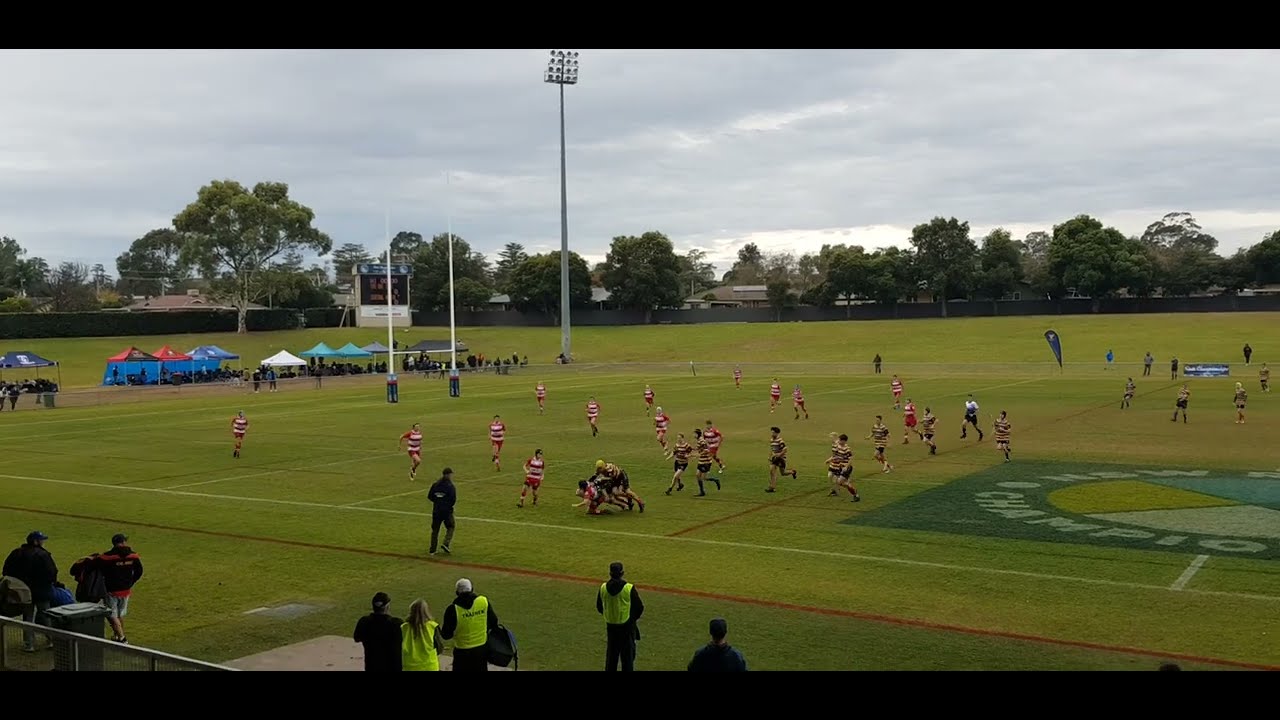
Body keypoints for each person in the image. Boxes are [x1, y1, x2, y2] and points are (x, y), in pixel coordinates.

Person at [2, 531, 57, 652]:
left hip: (22, 592)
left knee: (27, 618)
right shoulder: (43, 555)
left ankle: (29, 644)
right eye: (41, 540)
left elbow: (6, 571)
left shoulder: (16, 553)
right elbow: (52, 572)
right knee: (46, 615)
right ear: (36, 541)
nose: (43, 542)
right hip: (41, 591)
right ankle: (51, 640)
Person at [440, 578, 499, 671]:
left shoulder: (452, 609)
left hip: (462, 652)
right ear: (472, 589)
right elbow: (494, 622)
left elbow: (446, 635)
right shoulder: (483, 601)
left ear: (457, 593)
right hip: (481, 650)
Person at [597, 561, 644, 671]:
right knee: (627, 659)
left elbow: (599, 607)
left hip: (611, 627)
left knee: (611, 659)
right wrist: (632, 619)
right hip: (627, 628)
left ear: (610, 573)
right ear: (622, 573)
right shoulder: (628, 588)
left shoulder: (603, 588)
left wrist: (610, 615)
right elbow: (639, 607)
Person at [97, 533, 143, 643]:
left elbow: (100, 570)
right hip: (126, 590)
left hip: (111, 590)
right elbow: (139, 571)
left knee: (112, 615)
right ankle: (117, 635)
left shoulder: (106, 557)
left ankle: (122, 638)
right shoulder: (133, 556)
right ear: (123, 542)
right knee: (119, 614)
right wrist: (131, 582)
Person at [353, 592, 403, 671]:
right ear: (387, 606)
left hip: (372, 666)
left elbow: (357, 638)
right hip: (393, 667)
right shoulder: (397, 623)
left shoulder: (364, 622)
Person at [401, 598, 445, 671]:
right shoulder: (433, 627)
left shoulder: (403, 628)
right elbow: (439, 648)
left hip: (410, 667)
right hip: (430, 666)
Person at [428, 468, 457, 555]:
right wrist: (447, 505)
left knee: (435, 530)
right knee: (451, 526)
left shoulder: (436, 484)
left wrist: (438, 502)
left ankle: (432, 550)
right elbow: (453, 499)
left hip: (436, 510)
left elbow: (430, 496)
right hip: (446, 511)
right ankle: (446, 543)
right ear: (448, 475)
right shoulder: (450, 486)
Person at [767, 426, 797, 493]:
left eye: (773, 433)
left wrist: (779, 455)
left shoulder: (780, 441)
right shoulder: (772, 440)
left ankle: (793, 472)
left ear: (777, 433)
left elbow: (785, 449)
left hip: (781, 459)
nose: (772, 434)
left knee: (783, 473)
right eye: (771, 432)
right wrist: (770, 456)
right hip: (775, 458)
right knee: (772, 471)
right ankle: (772, 487)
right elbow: (772, 449)